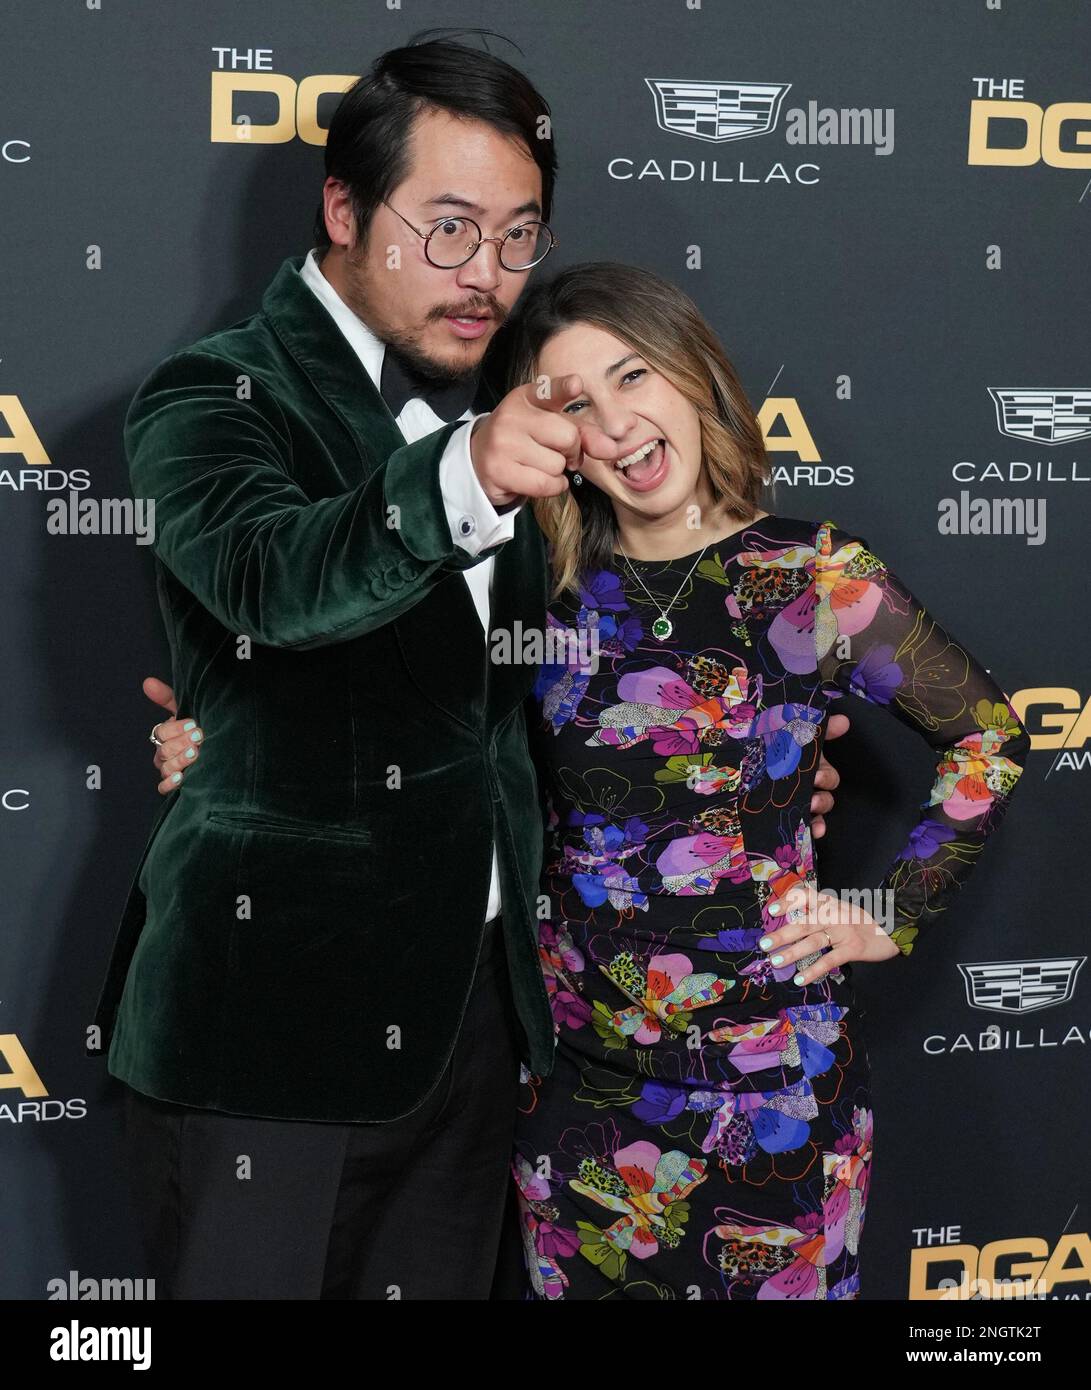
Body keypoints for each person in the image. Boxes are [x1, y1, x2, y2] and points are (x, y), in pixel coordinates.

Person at [144, 259, 1032, 1300]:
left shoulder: (815, 577)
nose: (615, 424)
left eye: (633, 377)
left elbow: (988, 737)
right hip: (575, 1099)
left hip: (772, 1097)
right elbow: (401, 715)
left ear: (692, 377)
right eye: (575, 404)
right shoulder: (541, 587)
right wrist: (214, 734)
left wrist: (894, 907)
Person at [90, 33, 626, 1301]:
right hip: (266, 1035)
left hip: (481, 1031)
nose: (484, 274)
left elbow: (578, 663)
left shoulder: (541, 391)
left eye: (515, 236)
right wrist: (462, 473)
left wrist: (764, 754)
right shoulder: (209, 393)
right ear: (341, 208)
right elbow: (272, 577)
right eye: (444, 229)